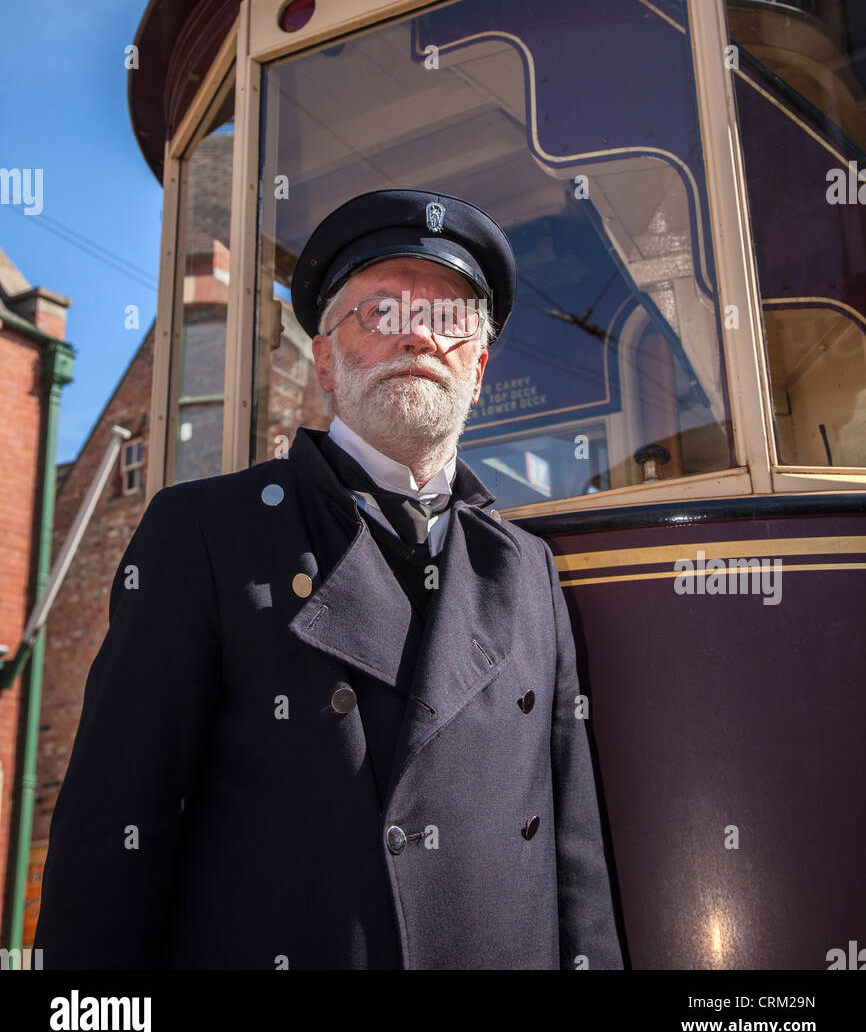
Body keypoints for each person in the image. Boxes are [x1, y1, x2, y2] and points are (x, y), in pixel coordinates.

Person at [35, 187, 623, 970]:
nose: (416, 332)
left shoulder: (528, 569)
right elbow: (113, 837)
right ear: (325, 363)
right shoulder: (205, 534)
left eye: (449, 319)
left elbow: (572, 852)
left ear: (478, 371)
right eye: (379, 311)